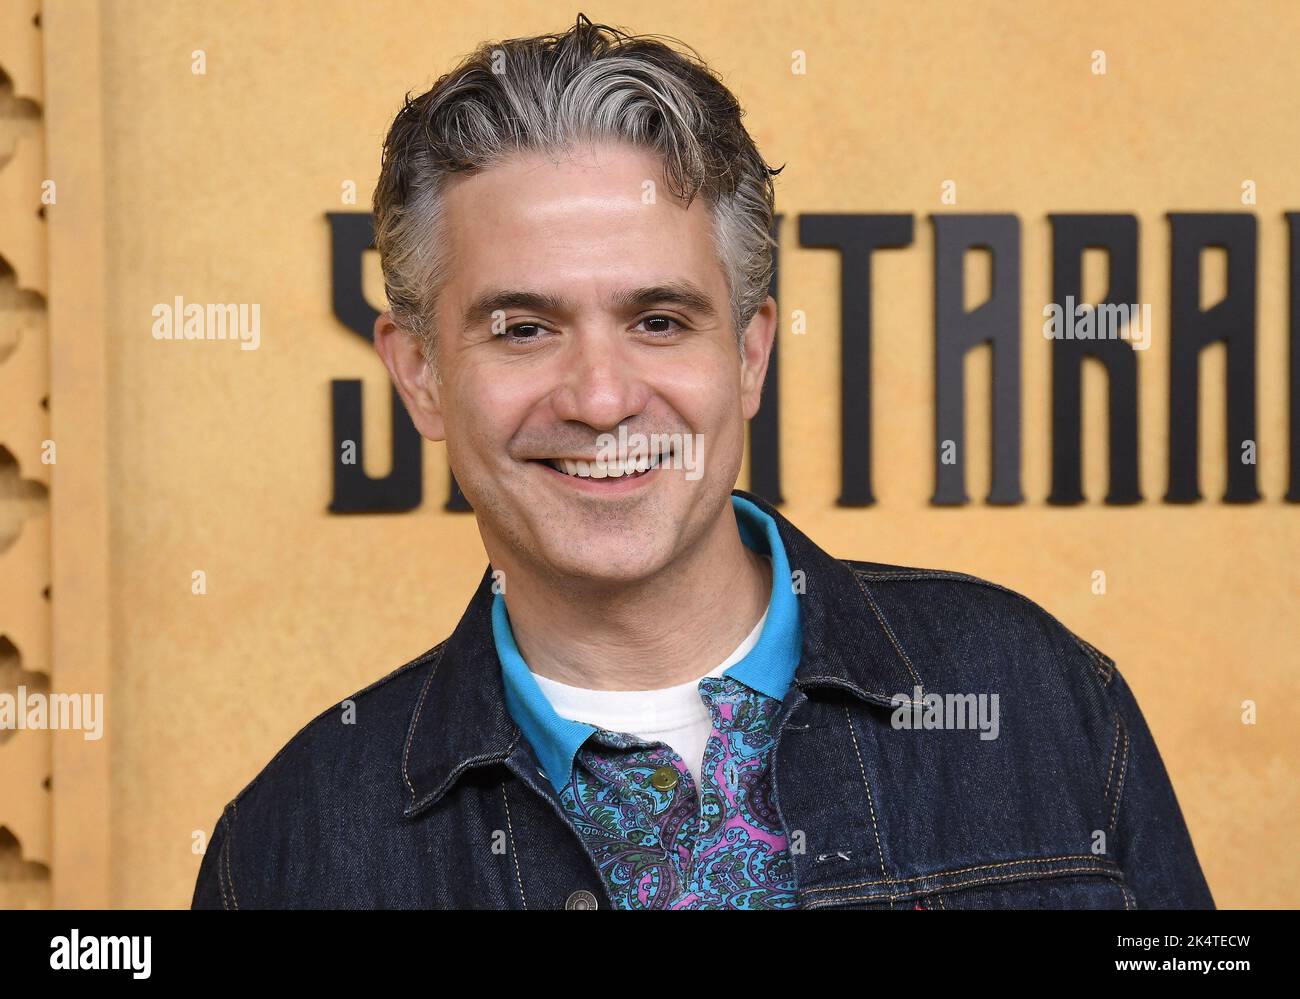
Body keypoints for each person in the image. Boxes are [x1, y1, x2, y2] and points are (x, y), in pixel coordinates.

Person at [192, 14, 1213, 910]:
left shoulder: (1037, 699)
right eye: (521, 329)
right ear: (417, 374)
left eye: (660, 319)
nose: (599, 398)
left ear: (750, 352)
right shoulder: (291, 847)